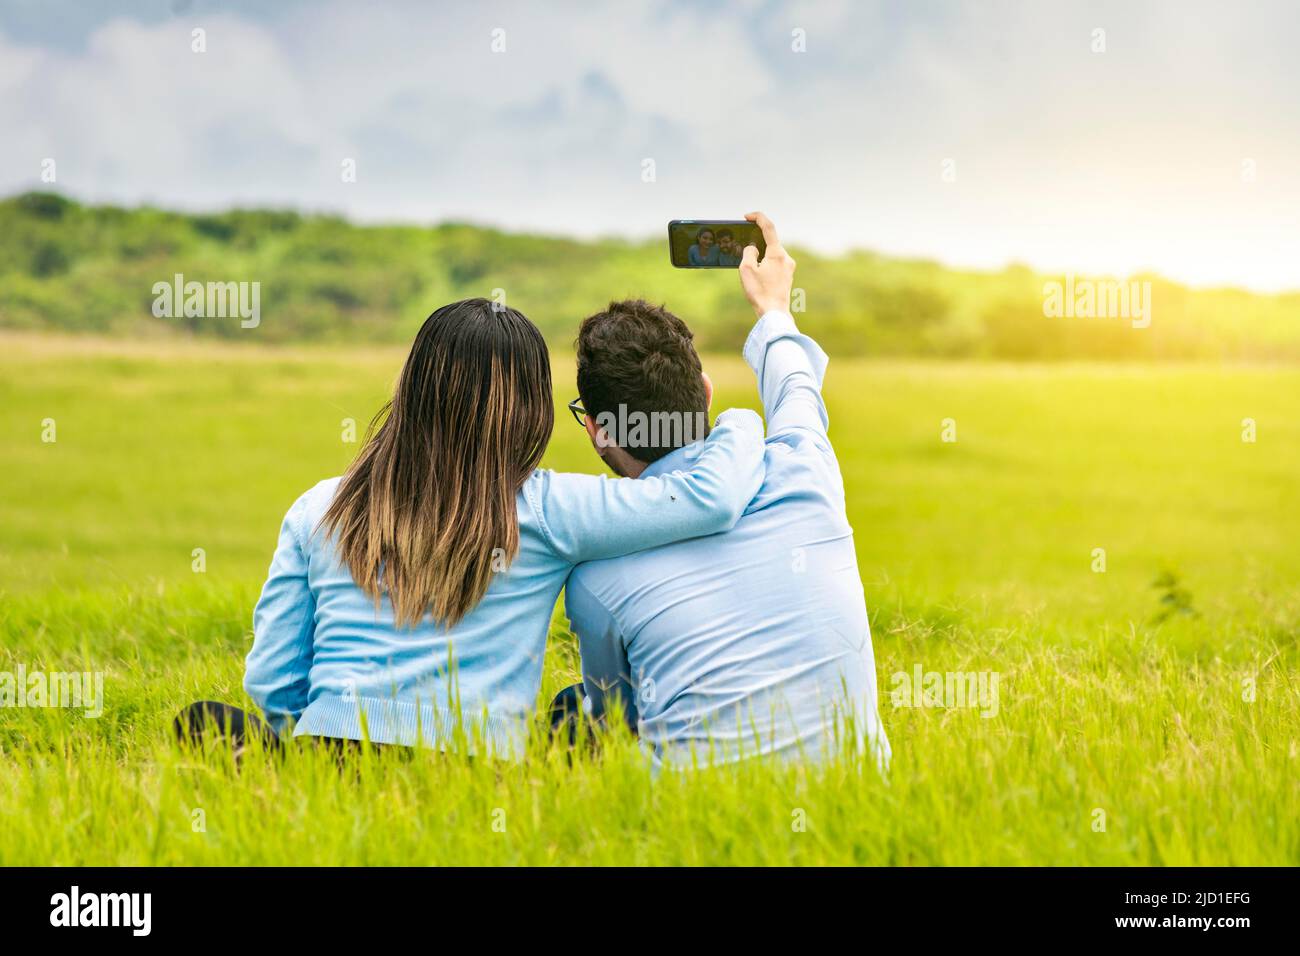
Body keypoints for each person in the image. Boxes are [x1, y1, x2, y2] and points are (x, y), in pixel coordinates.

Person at [176, 298, 766, 759]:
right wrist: (738, 419)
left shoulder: (320, 509)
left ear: (411, 388)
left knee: (203, 721)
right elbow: (709, 498)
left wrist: (308, 741)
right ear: (531, 407)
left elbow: (273, 687)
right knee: (576, 713)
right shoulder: (550, 509)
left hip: (327, 755)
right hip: (481, 772)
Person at [561, 212, 890, 769]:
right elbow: (794, 386)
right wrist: (774, 307)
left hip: (690, 834)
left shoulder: (596, 577)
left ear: (598, 431)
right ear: (705, 391)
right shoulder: (803, 469)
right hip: (863, 809)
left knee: (572, 714)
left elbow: (614, 719)